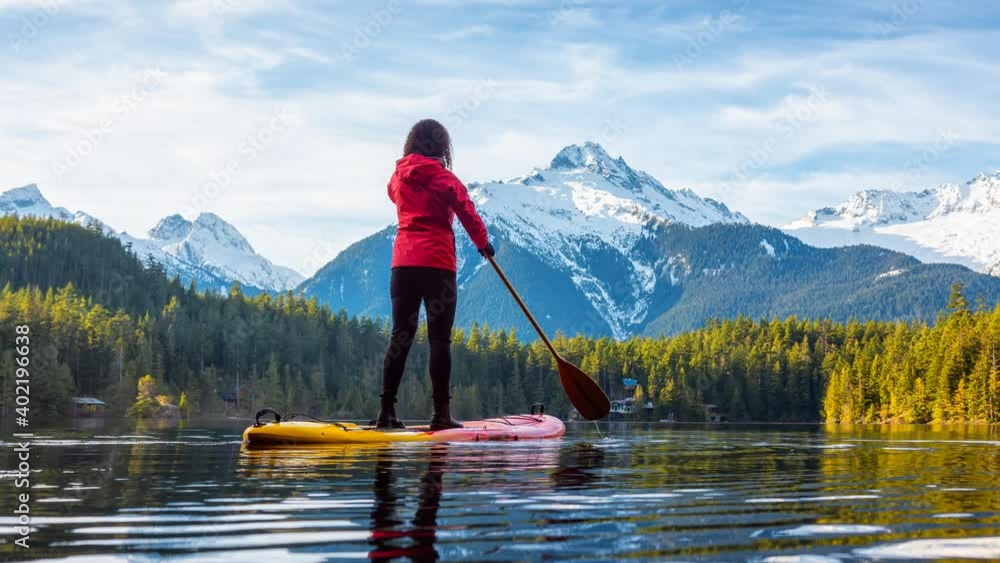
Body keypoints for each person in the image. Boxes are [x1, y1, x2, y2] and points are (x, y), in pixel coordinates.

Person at [376, 118, 494, 430]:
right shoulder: (446, 179)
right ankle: (441, 414)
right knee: (439, 340)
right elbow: (467, 211)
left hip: (402, 265)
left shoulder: (397, 179)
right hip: (438, 266)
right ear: (442, 147)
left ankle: (386, 411)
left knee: (400, 336)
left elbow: (393, 194)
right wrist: (483, 244)